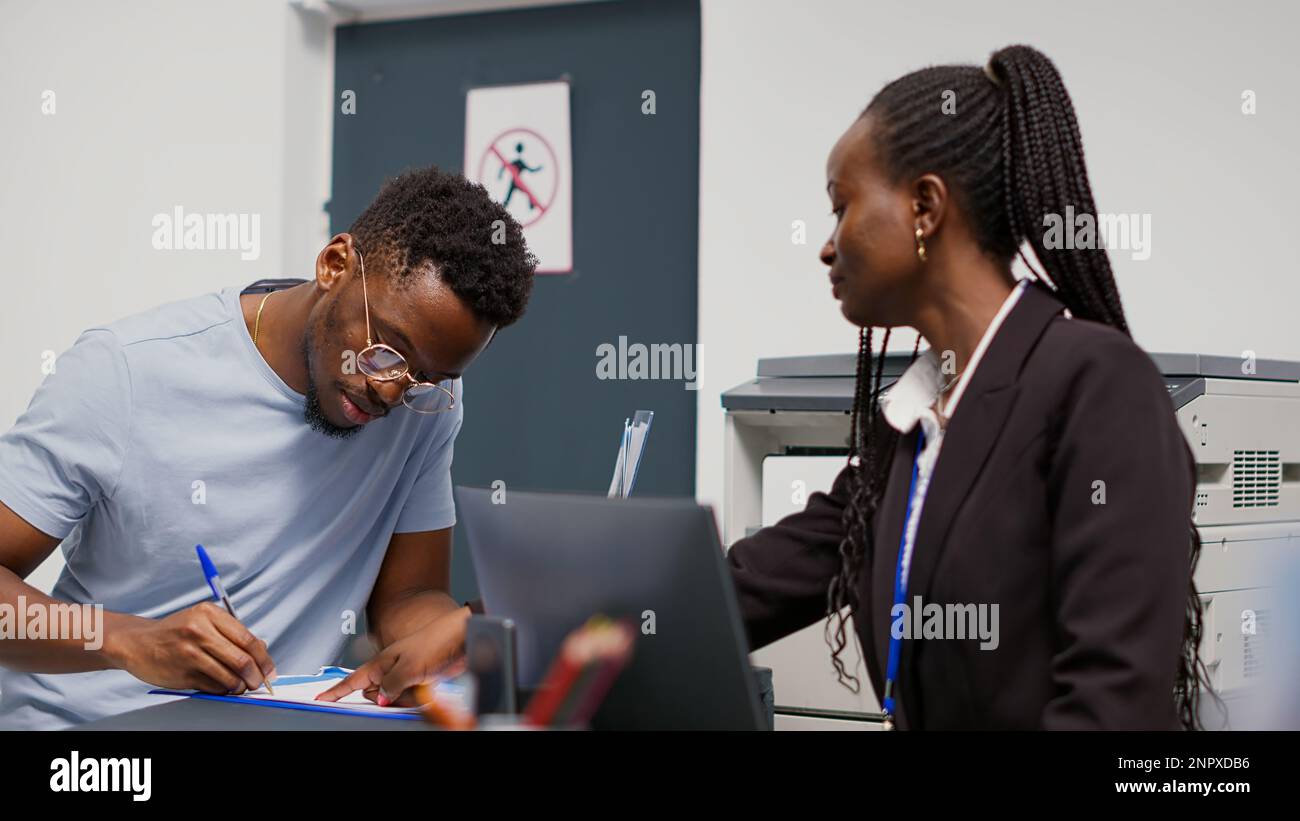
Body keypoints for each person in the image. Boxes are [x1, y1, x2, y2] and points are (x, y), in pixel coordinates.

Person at [725, 45, 1211, 730]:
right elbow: (759, 582)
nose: (828, 245)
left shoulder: (1097, 384)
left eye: (842, 206)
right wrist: (601, 617)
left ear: (925, 207)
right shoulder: (913, 422)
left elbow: (1114, 703)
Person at [0, 166, 536, 728]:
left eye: (429, 377)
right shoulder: (127, 370)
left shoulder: (424, 404)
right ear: (334, 265)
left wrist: (460, 635)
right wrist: (131, 640)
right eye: (387, 351)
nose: (391, 389)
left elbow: (409, 599)